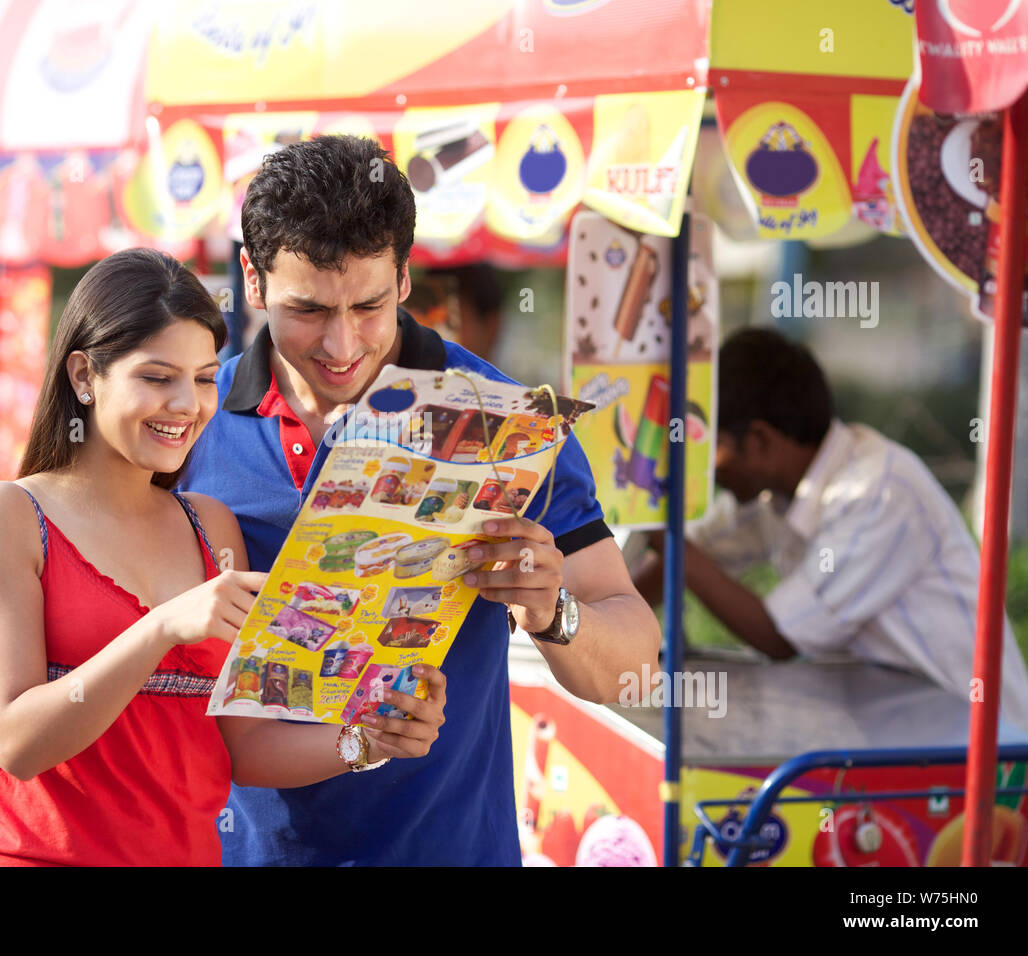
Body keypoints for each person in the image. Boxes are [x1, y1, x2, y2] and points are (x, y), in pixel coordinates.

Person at [179, 135, 661, 866]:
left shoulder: (509, 425)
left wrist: (551, 610)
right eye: (307, 309)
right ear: (252, 279)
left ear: (405, 277)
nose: (341, 344)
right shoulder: (186, 421)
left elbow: (634, 667)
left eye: (368, 305)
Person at [0, 248, 447, 866]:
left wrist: (366, 740)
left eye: (205, 378)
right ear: (83, 376)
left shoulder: (211, 527)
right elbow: (17, 740)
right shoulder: (6, 517)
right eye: (157, 378)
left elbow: (246, 748)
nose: (187, 405)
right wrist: (162, 626)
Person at [632, 326, 1028, 734]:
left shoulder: (877, 492)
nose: (705, 469)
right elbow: (689, 558)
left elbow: (777, 637)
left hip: (981, 751)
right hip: (900, 729)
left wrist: (661, 528)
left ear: (760, 441)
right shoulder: (774, 493)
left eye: (709, 448)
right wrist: (606, 609)